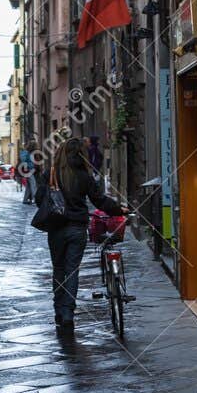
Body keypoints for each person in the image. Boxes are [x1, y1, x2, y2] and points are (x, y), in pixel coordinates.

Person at [47, 137, 124, 330]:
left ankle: (59, 310)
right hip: (77, 228)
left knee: (59, 269)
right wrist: (118, 209)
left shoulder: (52, 174)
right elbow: (99, 200)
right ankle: (68, 314)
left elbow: (40, 198)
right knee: (72, 271)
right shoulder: (84, 176)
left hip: (56, 228)